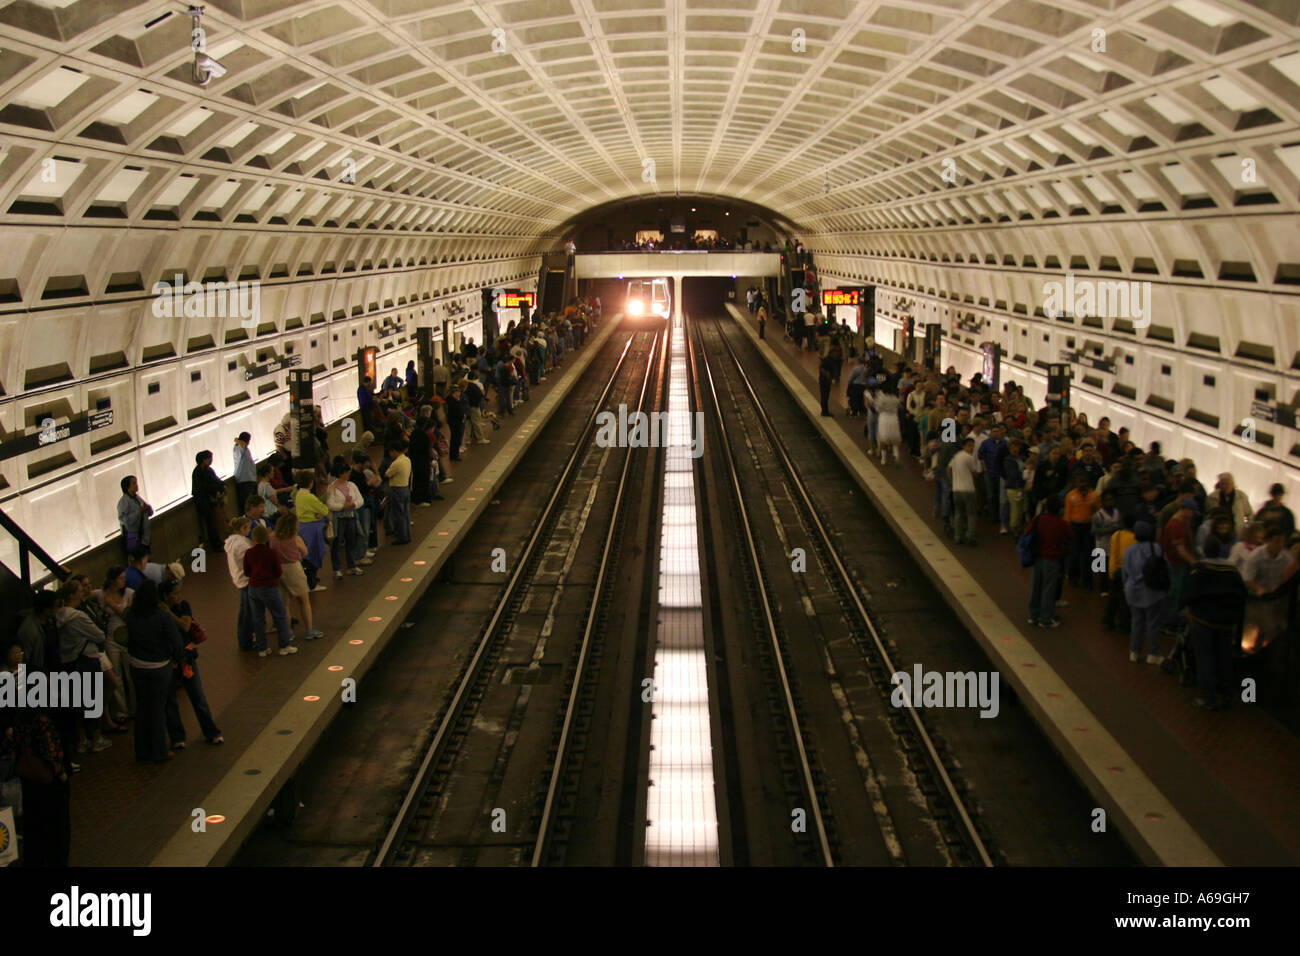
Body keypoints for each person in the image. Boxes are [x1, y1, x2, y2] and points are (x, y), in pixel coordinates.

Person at [126, 580, 184, 763]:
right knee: (158, 709)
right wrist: (175, 658)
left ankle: (141, 751)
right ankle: (159, 751)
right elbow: (176, 642)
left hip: (137, 666)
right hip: (159, 667)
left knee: (142, 708)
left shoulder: (130, 615)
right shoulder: (161, 616)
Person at [159, 579, 223, 745]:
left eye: (179, 592)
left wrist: (169, 614)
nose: (178, 597)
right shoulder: (158, 611)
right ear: (165, 595)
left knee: (198, 696)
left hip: (186, 659)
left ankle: (211, 732)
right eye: (174, 593)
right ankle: (177, 737)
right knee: (170, 701)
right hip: (169, 660)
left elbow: (185, 626)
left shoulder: (183, 606)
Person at [1184, 538, 1246, 711]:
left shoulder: (1199, 569)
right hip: (1225, 623)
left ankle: (1208, 698)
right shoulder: (1231, 570)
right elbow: (1241, 594)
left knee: (1205, 659)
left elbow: (1189, 593)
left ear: (1204, 551)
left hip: (1203, 621)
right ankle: (1227, 696)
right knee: (1225, 659)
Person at [243, 525, 298, 657]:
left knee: (258, 619)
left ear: (253, 538)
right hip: (269, 587)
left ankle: (262, 648)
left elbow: (247, 572)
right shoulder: (271, 553)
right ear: (266, 537)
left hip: (253, 588)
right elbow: (278, 572)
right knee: (279, 616)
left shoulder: (249, 553)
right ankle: (284, 646)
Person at [1123, 521, 1167, 664]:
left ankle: (1134, 652)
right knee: (1152, 623)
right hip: (1151, 591)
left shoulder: (1128, 550)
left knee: (1136, 623)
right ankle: (1153, 653)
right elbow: (1163, 567)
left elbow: (1125, 572)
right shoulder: (1155, 548)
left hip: (1132, 590)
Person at [273, 513, 322, 641]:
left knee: (285, 604)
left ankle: (288, 632)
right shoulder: (295, 538)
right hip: (293, 568)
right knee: (304, 600)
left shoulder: (272, 537)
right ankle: (309, 630)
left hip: (278, 569)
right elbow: (305, 552)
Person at [1026, 496, 1071, 628]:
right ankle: (1045, 618)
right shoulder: (1061, 523)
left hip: (1037, 557)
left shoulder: (1038, 519)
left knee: (1035, 587)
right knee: (1048, 589)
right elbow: (1070, 537)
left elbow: (1027, 531)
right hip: (1052, 559)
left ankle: (1033, 615)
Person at [325, 462, 367, 579]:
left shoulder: (352, 485)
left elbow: (360, 499)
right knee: (336, 543)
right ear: (341, 473)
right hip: (338, 518)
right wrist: (343, 506)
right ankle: (337, 569)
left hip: (351, 516)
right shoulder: (331, 488)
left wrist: (354, 504)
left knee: (351, 541)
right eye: (347, 472)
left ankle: (351, 566)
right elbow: (330, 504)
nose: (349, 474)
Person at [293, 471, 330, 593]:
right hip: (312, 529)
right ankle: (311, 584)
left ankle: (311, 579)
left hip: (302, 527)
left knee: (305, 555)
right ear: (310, 483)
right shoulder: (310, 497)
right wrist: (317, 514)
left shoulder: (298, 495)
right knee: (312, 555)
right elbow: (324, 510)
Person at [191, 450, 226, 551]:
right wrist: (216, 489)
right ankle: (215, 544)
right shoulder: (198, 472)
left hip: (207, 499)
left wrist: (223, 485)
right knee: (210, 522)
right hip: (202, 500)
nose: (211, 460)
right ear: (204, 460)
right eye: (209, 458)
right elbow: (203, 487)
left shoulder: (207, 470)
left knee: (212, 521)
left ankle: (217, 541)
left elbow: (216, 480)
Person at [948, 436, 980, 545]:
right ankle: (970, 536)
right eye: (969, 445)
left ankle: (958, 536)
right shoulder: (968, 457)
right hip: (968, 489)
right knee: (971, 513)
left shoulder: (956, 456)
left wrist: (952, 480)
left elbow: (948, 468)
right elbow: (974, 472)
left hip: (956, 489)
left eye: (973, 446)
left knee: (958, 513)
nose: (971, 448)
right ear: (964, 446)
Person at [116, 475, 153, 557]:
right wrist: (138, 512)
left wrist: (147, 508)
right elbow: (125, 521)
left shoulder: (137, 498)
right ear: (127, 487)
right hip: (133, 538)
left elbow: (149, 512)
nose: (137, 485)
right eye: (134, 483)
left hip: (144, 537)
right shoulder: (123, 502)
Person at [385, 439, 413, 544]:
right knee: (405, 513)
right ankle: (407, 535)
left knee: (398, 514)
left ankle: (402, 537)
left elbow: (387, 474)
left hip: (397, 489)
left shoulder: (396, 463)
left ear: (394, 451)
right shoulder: (407, 460)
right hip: (405, 487)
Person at [873, 383, 903, 465]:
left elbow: (877, 408)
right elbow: (900, 407)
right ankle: (896, 456)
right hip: (894, 418)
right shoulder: (895, 398)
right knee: (895, 439)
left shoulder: (881, 399)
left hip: (884, 418)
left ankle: (883, 459)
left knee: (882, 438)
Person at [233, 431, 257, 507]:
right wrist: (236, 440)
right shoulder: (238, 447)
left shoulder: (245, 448)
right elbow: (242, 445)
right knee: (248, 503)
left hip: (250, 478)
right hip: (244, 480)